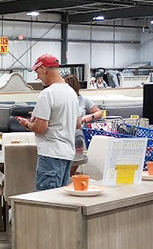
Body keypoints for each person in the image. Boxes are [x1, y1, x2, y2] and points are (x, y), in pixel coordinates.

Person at [17, 54, 78, 190]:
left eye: (37, 72)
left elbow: (40, 127)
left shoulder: (47, 93)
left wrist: (27, 124)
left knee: (47, 201)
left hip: (51, 155)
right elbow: (76, 122)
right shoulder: (71, 92)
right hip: (67, 154)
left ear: (44, 69)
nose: (37, 77)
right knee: (60, 199)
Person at [64, 75, 103, 154]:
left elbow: (99, 113)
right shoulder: (61, 100)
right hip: (63, 135)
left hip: (78, 136)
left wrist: (90, 116)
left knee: (76, 160)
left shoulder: (83, 100)